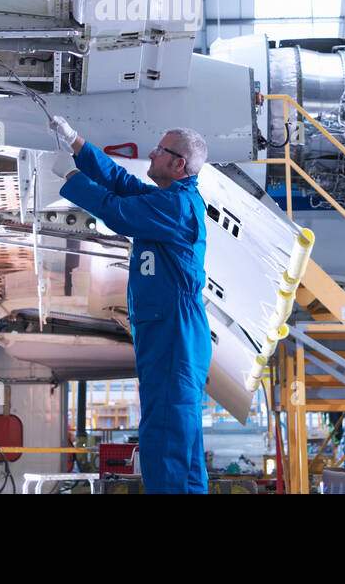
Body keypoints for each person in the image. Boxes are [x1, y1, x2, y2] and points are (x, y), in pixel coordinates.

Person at [52, 117, 211, 494]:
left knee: (164, 436)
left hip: (175, 330)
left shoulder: (177, 207)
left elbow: (117, 210)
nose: (151, 153)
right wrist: (77, 144)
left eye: (160, 150)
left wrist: (70, 181)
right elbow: (122, 185)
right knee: (180, 441)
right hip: (171, 329)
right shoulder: (168, 199)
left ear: (179, 165)